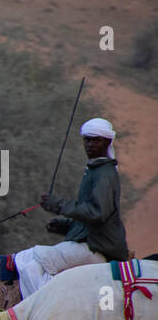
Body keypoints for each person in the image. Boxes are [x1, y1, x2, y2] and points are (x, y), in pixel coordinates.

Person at [13, 117, 130, 299]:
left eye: (95, 140)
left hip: (97, 249)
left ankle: (46, 305)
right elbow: (91, 218)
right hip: (91, 244)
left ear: (107, 141)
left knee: (31, 262)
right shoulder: (95, 170)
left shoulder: (104, 174)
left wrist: (58, 205)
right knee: (25, 257)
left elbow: (97, 213)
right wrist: (66, 226)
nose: (90, 145)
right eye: (87, 140)